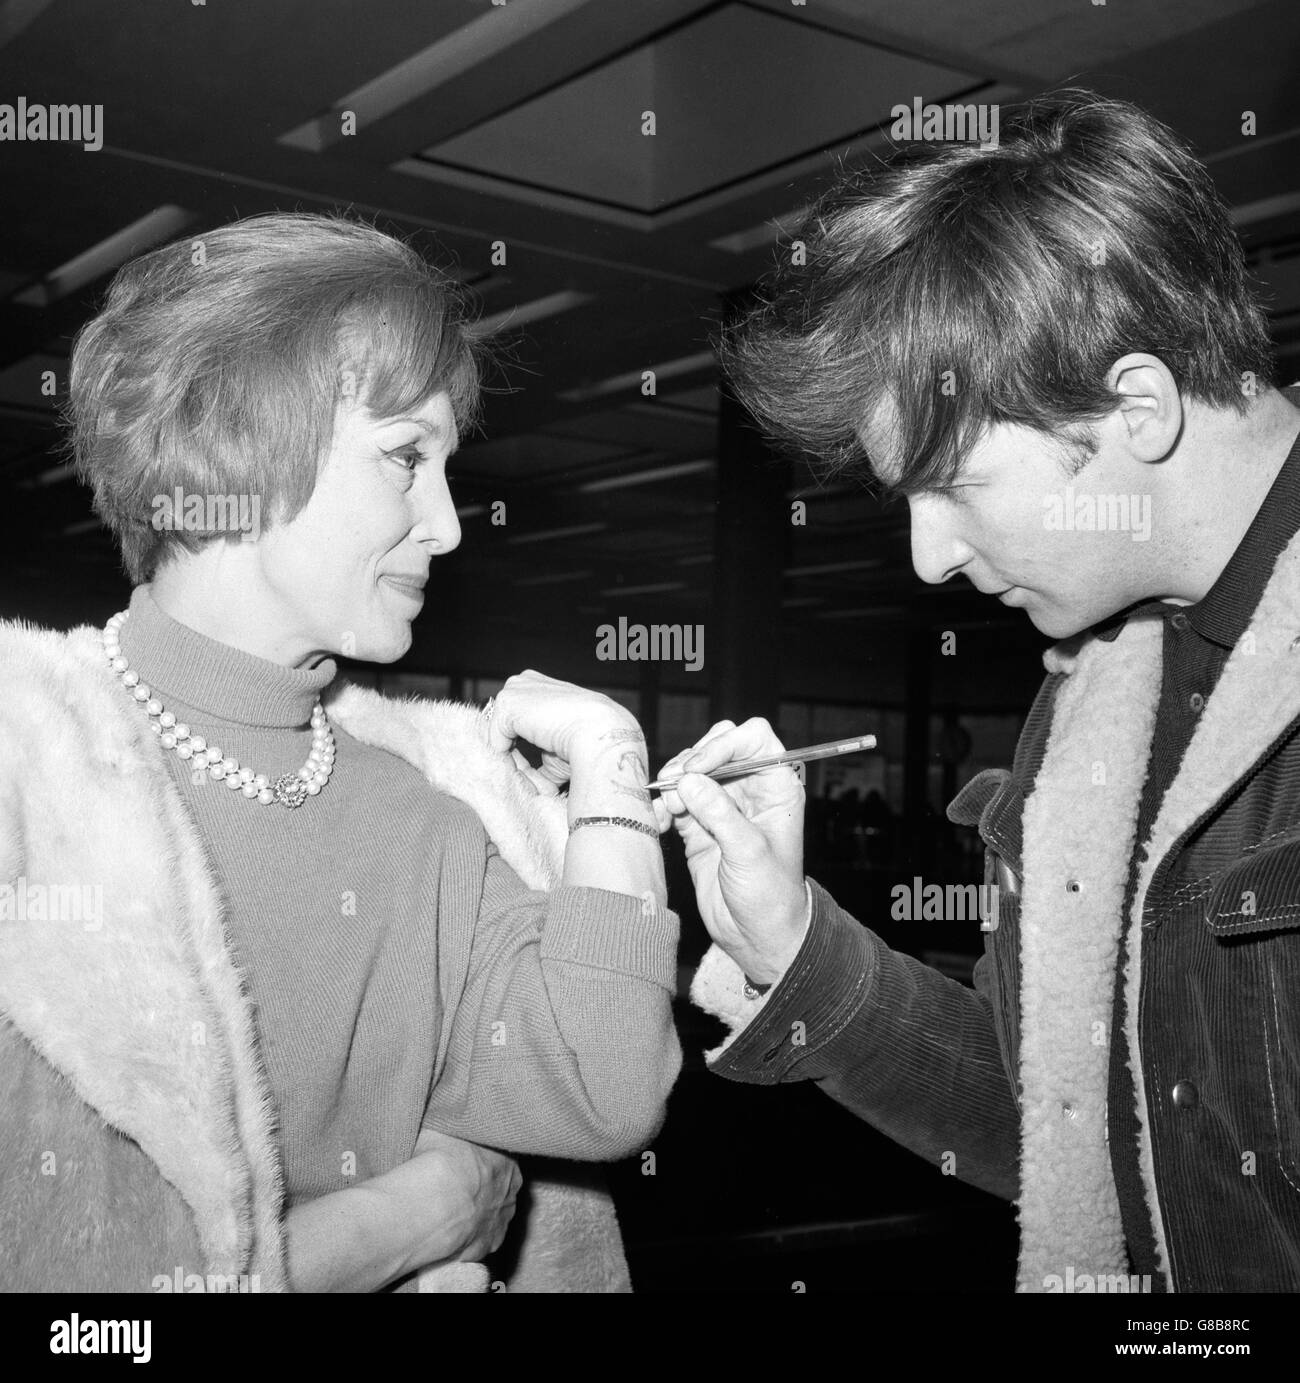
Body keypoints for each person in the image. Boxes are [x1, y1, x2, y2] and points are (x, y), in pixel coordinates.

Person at [656, 89, 1300, 1292]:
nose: (928, 559)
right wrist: (791, 941)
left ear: (1137, 411)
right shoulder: (1095, 692)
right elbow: (1063, 1136)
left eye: (953, 486)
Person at [0, 213, 681, 1293]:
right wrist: (390, 1228)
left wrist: (609, 772)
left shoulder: (439, 804)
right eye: (406, 458)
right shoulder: (22, 779)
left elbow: (603, 1090)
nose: (449, 526)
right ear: (237, 431)